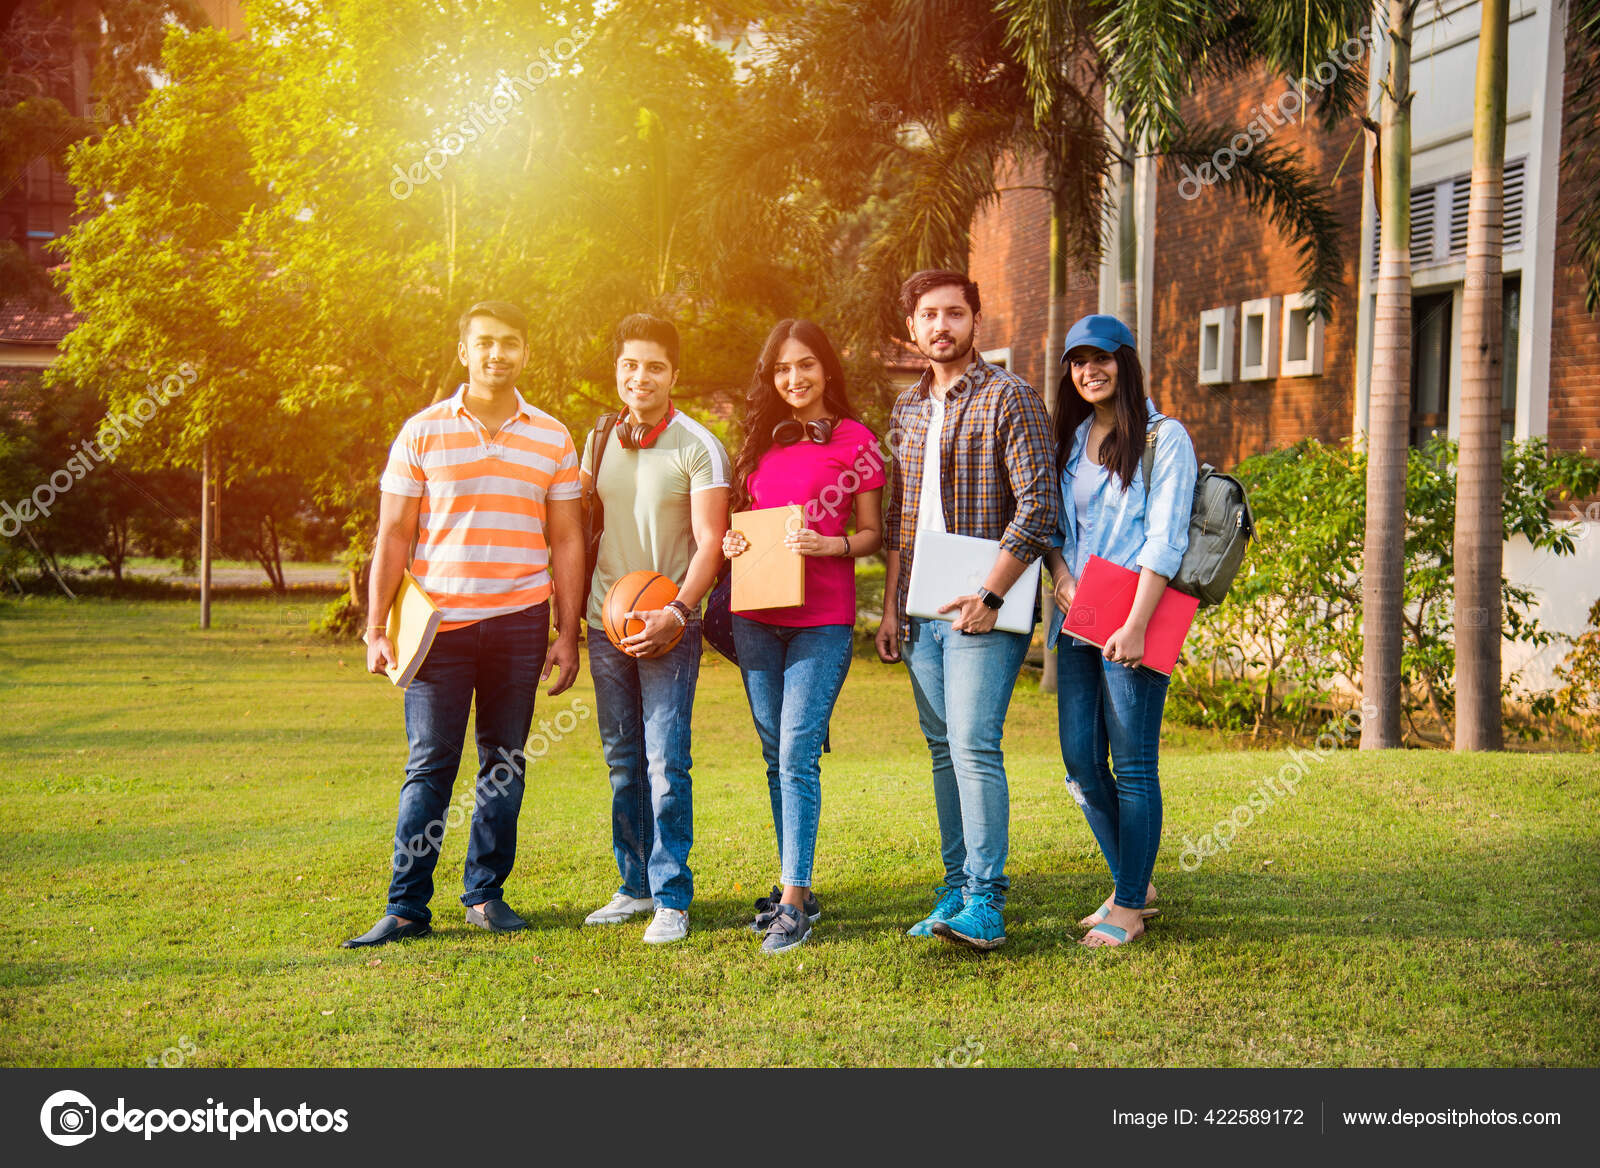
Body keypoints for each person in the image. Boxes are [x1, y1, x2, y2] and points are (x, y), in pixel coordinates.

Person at [343, 300, 584, 949]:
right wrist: (376, 629)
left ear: (525, 352)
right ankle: (405, 908)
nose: (496, 353)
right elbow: (392, 534)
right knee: (429, 766)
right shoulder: (421, 432)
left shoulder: (553, 436)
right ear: (464, 350)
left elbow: (566, 540)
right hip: (437, 629)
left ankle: (485, 895)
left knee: (503, 764)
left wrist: (567, 631)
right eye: (484, 342)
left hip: (520, 622)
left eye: (509, 342)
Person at [874, 270, 1060, 950]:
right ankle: (955, 887)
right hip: (920, 610)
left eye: (955, 312)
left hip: (986, 606)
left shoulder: (1010, 397)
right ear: (913, 328)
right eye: (929, 315)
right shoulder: (907, 409)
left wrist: (989, 595)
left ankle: (986, 901)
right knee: (942, 750)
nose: (942, 325)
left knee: (973, 744)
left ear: (976, 320)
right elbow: (899, 519)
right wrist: (894, 608)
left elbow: (1040, 506)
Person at [721, 319, 885, 954]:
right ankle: (794, 882)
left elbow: (872, 534)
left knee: (796, 750)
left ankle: (794, 900)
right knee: (774, 752)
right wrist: (736, 541)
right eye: (783, 369)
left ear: (827, 370)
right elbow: (745, 525)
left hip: (822, 620)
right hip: (756, 615)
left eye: (806, 365)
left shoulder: (859, 441)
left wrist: (830, 542)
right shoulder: (757, 441)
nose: (795, 379)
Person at [1044, 314, 1196, 948]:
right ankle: (1133, 877)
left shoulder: (1165, 439)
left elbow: (1166, 539)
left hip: (1138, 615)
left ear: (1126, 363)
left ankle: (1130, 904)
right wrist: (1059, 575)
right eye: (1077, 361)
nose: (1088, 371)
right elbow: (1055, 528)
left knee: (1133, 766)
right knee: (1080, 760)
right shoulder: (1074, 440)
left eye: (1101, 358)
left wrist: (1134, 625)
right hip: (1078, 615)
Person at [580, 313, 730, 944]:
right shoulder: (597, 438)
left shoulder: (698, 444)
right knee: (623, 761)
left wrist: (678, 611)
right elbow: (572, 524)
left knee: (666, 759)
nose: (640, 377)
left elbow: (712, 542)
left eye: (654, 366)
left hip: (669, 625)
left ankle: (671, 895)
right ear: (617, 369)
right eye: (629, 365)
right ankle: (634, 885)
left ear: (675, 374)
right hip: (603, 622)